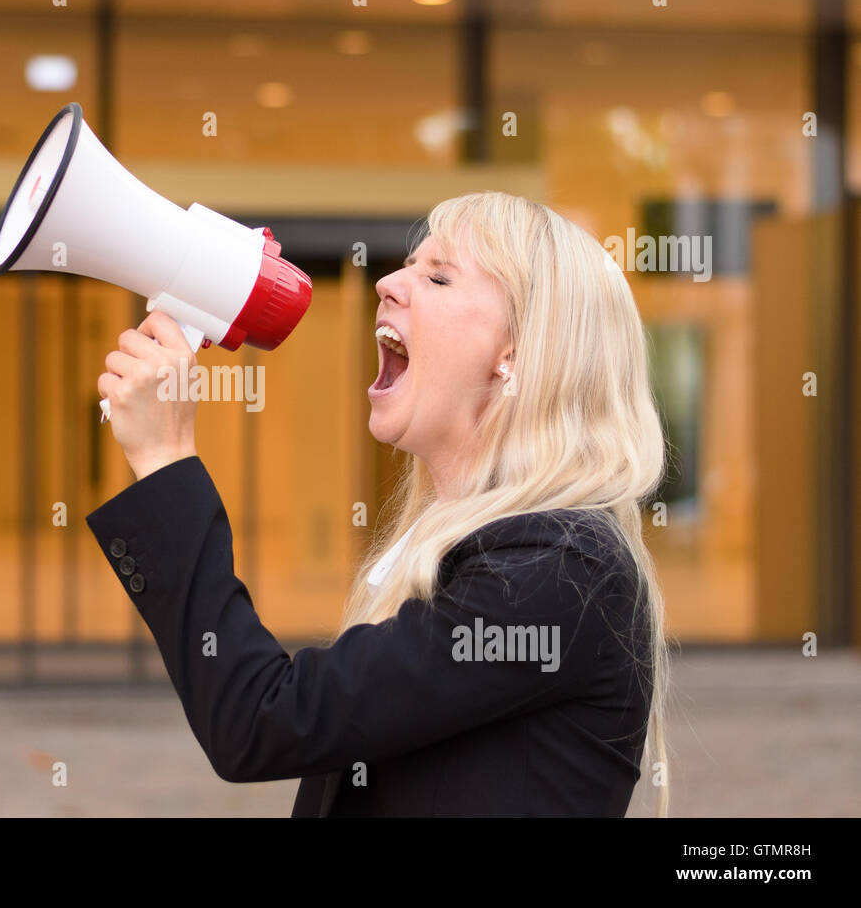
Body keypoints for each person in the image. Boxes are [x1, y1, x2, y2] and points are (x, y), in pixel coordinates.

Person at [87, 191, 670, 817]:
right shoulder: (483, 557)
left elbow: (261, 720)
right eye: (408, 265)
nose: (389, 282)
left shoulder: (560, 573)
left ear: (517, 353)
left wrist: (167, 462)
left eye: (438, 276)